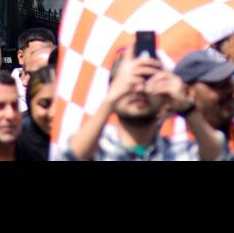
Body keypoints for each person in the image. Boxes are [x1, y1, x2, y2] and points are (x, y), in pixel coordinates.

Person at [64, 52, 225, 161]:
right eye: (130, 82)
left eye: (149, 80)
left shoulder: (178, 152)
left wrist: (186, 108)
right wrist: (109, 101)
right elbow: (68, 157)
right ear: (114, 88)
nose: (140, 89)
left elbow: (221, 157)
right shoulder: (95, 150)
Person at [16, 65, 55, 161]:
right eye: (45, 104)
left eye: (61, 104)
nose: (53, 113)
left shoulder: (85, 139)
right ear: (30, 103)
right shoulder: (13, 145)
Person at [12, 28, 56, 110]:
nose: (45, 58)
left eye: (49, 54)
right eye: (37, 52)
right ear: (21, 57)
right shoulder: (2, 91)